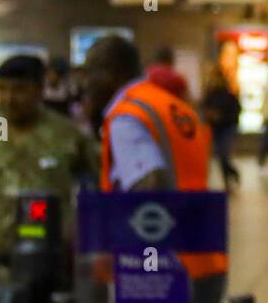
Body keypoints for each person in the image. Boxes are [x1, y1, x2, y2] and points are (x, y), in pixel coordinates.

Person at [0, 55, 97, 270]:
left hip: (49, 261)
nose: (9, 98)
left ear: (39, 90)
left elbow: (97, 181)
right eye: (3, 89)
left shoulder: (65, 135)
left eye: (20, 90)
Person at [84, 36, 210, 191]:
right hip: (198, 211)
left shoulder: (127, 118)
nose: (86, 83)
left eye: (89, 73)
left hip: (165, 214)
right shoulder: (173, 106)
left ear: (111, 72)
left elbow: (147, 186)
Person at [200, 65, 241, 191]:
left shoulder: (228, 93)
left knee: (223, 153)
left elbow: (235, 109)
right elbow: (204, 108)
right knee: (220, 155)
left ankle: (232, 173)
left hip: (227, 127)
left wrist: (223, 116)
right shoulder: (210, 93)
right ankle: (227, 179)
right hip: (216, 128)